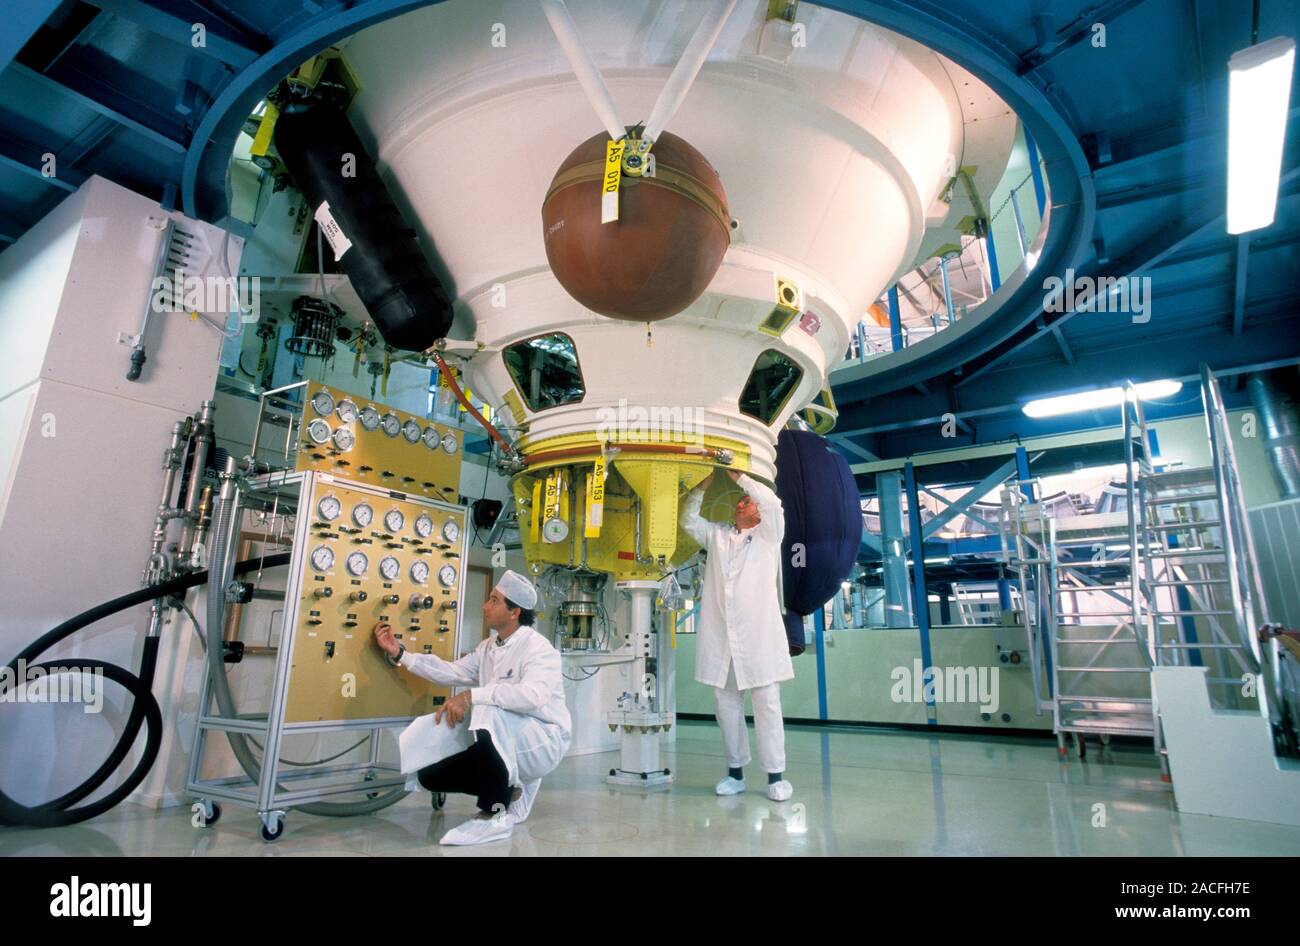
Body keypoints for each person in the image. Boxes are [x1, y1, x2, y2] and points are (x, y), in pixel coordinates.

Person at [373, 569, 571, 846]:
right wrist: (401, 654)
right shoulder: (489, 646)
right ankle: (506, 788)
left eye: (493, 600)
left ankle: (495, 812)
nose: (484, 606)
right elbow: (451, 671)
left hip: (542, 740)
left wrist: (472, 696)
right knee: (429, 775)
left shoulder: (538, 648)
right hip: (507, 741)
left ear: (514, 612)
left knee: (486, 707)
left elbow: (533, 696)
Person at [680, 468, 794, 801]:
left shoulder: (769, 537)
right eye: (741, 500)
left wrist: (740, 476)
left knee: (767, 704)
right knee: (725, 704)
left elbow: (772, 504)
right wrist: (700, 488)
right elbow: (688, 521)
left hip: (758, 638)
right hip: (723, 638)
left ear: (757, 513)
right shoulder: (717, 537)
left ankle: (776, 777)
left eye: (747, 501)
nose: (742, 503)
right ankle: (735, 773)